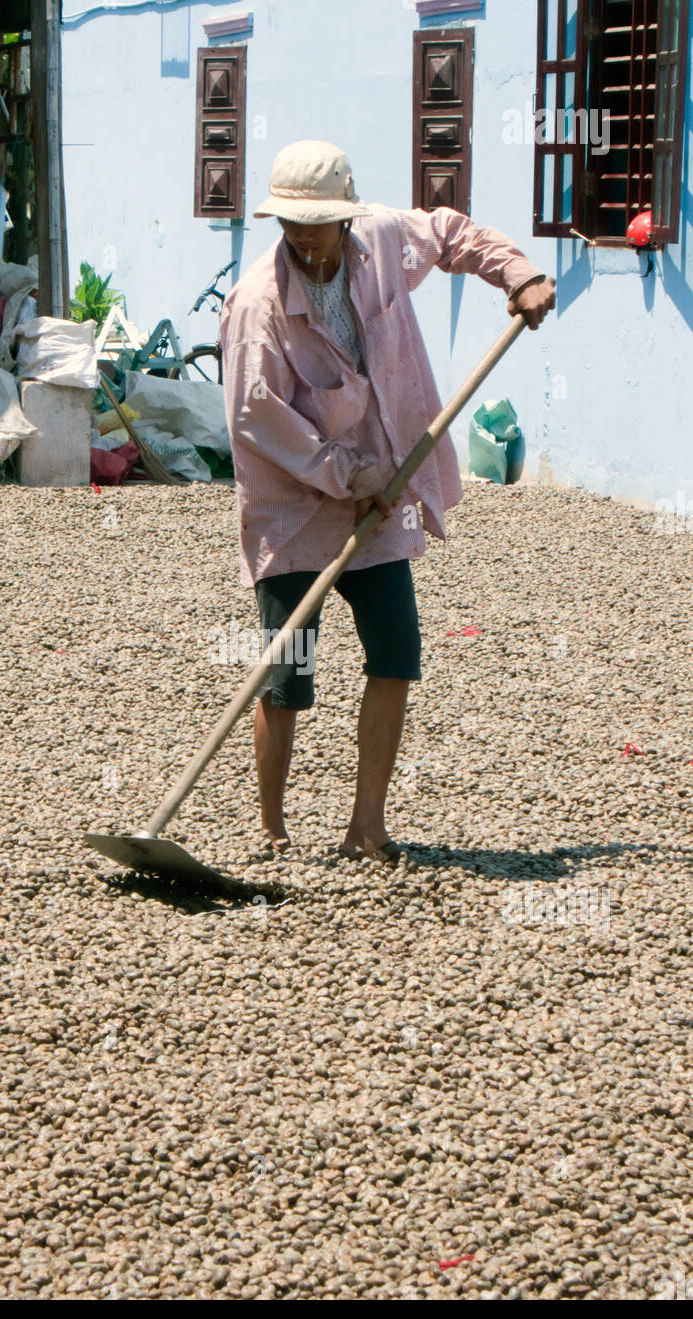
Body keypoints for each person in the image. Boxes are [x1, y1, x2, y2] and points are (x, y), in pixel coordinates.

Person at [220, 140, 555, 863]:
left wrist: (517, 272)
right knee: (286, 672)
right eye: (292, 223)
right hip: (295, 507)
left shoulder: (379, 239)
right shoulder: (257, 308)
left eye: (319, 221)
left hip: (382, 499)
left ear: (346, 215)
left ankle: (364, 826)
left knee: (396, 653)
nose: (305, 236)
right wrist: (347, 476)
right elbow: (259, 419)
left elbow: (452, 234)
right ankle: (271, 833)